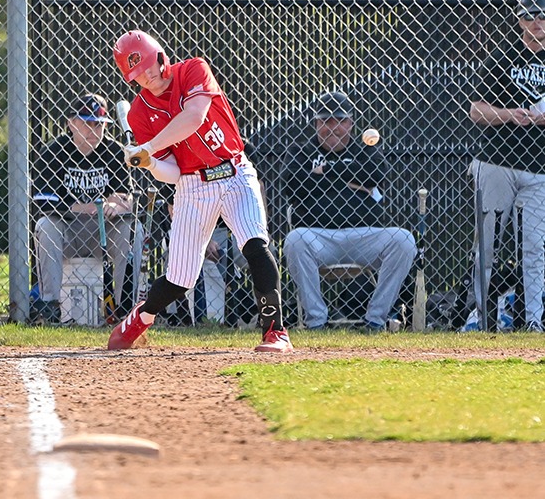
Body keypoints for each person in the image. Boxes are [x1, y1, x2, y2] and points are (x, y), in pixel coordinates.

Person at [106, 29, 293, 352]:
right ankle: (142, 316)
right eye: (138, 74)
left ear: (161, 55)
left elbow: (193, 117)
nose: (148, 76)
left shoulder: (193, 69)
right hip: (193, 186)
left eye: (150, 65)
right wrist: (148, 162)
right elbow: (174, 172)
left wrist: (148, 146)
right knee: (180, 280)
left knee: (255, 245)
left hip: (235, 171)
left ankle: (275, 332)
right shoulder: (138, 112)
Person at [282, 92, 416, 331]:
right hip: (318, 238)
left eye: (339, 121)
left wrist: (324, 173)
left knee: (404, 239)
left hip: (365, 237)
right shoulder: (300, 151)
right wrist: (351, 176)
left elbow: (377, 174)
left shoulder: (365, 148)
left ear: (350, 123)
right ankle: (316, 321)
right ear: (316, 124)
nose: (332, 127)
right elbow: (292, 185)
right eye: (325, 121)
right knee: (294, 240)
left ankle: (375, 319)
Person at [468, 0, 545, 332]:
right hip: (497, 162)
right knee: (487, 242)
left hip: (539, 169)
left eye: (542, 16)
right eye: (530, 16)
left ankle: (533, 319)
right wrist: (509, 115)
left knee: (534, 245)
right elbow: (476, 110)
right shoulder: (501, 59)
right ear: (519, 20)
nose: (537, 23)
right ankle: (477, 315)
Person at [30, 94, 133, 324]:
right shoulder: (54, 152)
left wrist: (116, 205)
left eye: (99, 125)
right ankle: (49, 308)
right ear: (71, 123)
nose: (94, 131)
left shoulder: (115, 152)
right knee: (45, 226)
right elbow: (45, 202)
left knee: (129, 230)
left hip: (103, 233)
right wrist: (90, 207)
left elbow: (126, 197)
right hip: (67, 231)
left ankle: (125, 310)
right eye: (87, 123)